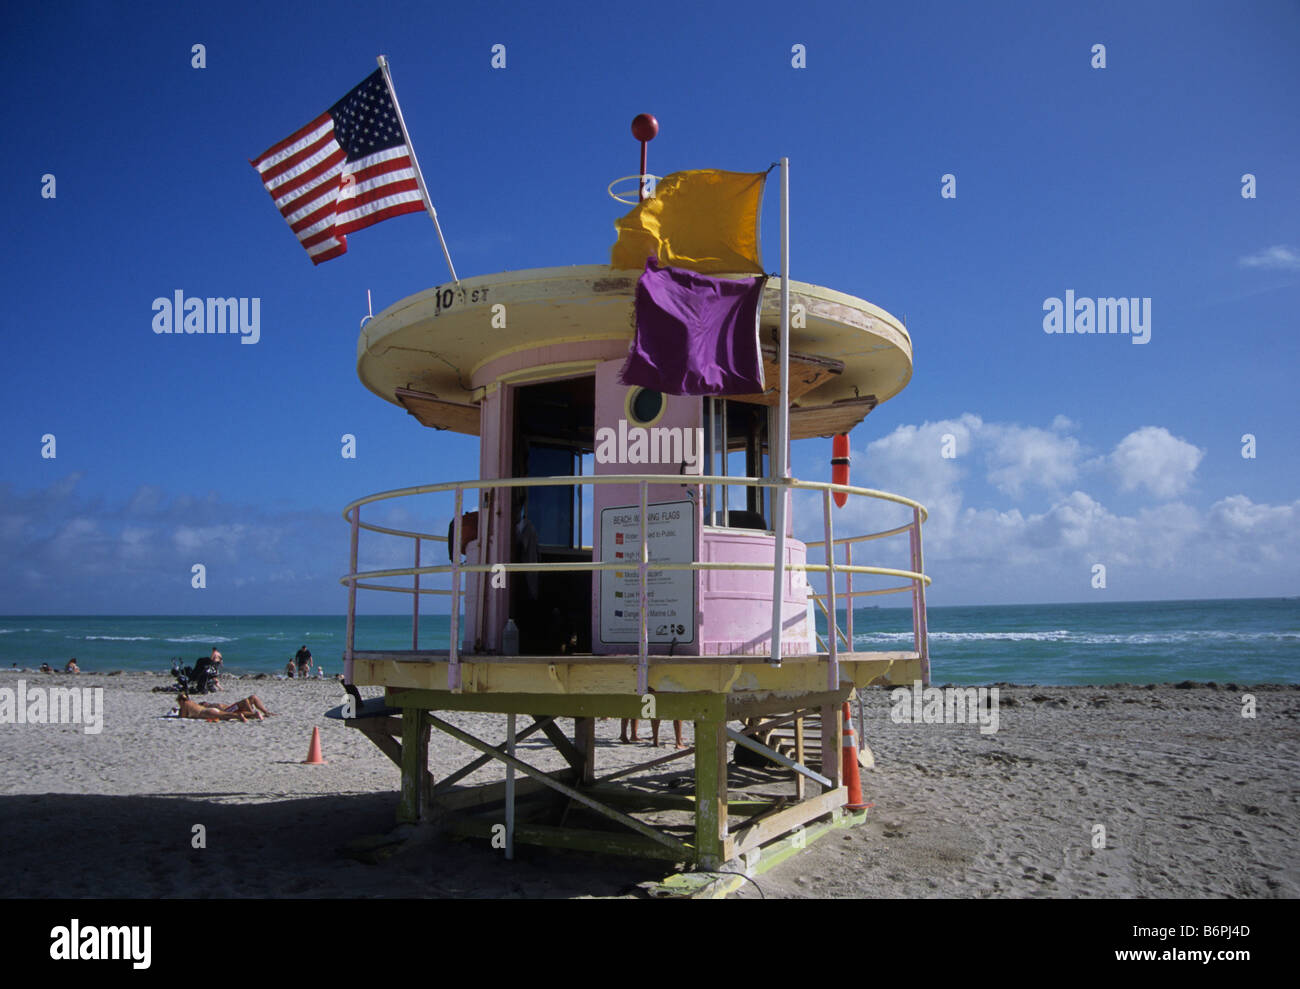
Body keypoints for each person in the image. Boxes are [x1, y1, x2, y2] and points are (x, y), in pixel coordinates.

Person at [176, 693, 274, 722]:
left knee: (226, 715)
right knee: (226, 715)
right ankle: (253, 714)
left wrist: (179, 711)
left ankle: (243, 716)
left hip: (206, 713)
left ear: (181, 701)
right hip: (212, 711)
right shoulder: (192, 702)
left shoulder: (185, 704)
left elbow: (183, 716)